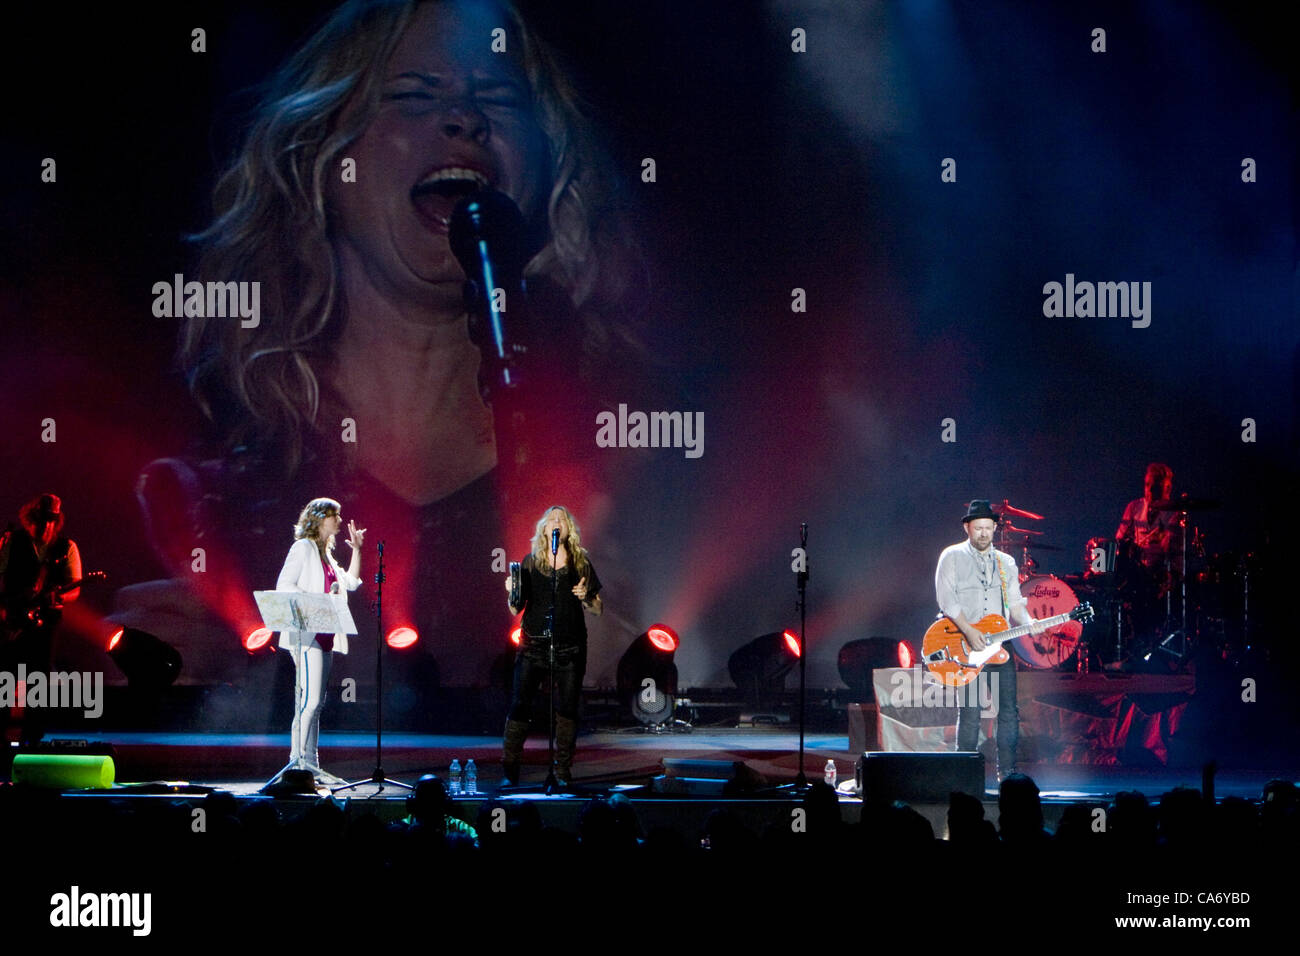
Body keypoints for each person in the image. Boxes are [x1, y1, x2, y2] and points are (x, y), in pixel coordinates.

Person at [125, 0, 638, 692]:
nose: (465, 121)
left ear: (548, 168)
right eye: (411, 96)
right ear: (319, 156)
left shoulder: (627, 463)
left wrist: (627, 692)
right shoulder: (208, 491)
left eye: (497, 98)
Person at [935, 499, 1043, 781]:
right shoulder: (952, 556)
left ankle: (1007, 773)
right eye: (978, 528)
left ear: (995, 528)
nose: (983, 533)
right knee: (969, 712)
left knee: (1008, 711)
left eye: (988, 528)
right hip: (965, 644)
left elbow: (1016, 604)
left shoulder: (1006, 562)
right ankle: (964, 774)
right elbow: (947, 600)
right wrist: (970, 631)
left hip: (1000, 645)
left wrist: (1030, 623)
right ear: (967, 527)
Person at [502, 506, 602, 785]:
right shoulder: (531, 562)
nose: (557, 522)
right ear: (544, 529)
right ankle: (510, 767)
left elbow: (597, 608)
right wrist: (512, 592)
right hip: (533, 644)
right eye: (552, 519)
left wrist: (586, 597)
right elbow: (516, 609)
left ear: (569, 529)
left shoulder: (580, 562)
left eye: (562, 519)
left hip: (570, 646)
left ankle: (562, 771)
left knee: (567, 708)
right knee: (520, 703)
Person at [276, 498, 364, 782]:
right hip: (306, 633)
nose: (340, 520)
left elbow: (350, 581)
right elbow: (284, 586)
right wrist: (317, 602)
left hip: (326, 633)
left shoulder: (326, 553)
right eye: (335, 515)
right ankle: (295, 763)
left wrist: (358, 551)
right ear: (320, 518)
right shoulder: (302, 548)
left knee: (317, 700)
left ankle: (310, 764)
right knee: (309, 700)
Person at [0, 494, 83, 747]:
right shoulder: (12, 542)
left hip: (45, 622)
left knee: (39, 676)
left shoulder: (67, 547)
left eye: (51, 521)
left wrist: (58, 597)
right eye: (41, 520)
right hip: (11, 618)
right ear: (30, 519)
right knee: (6, 674)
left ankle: (32, 736)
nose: (46, 526)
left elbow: (75, 589)